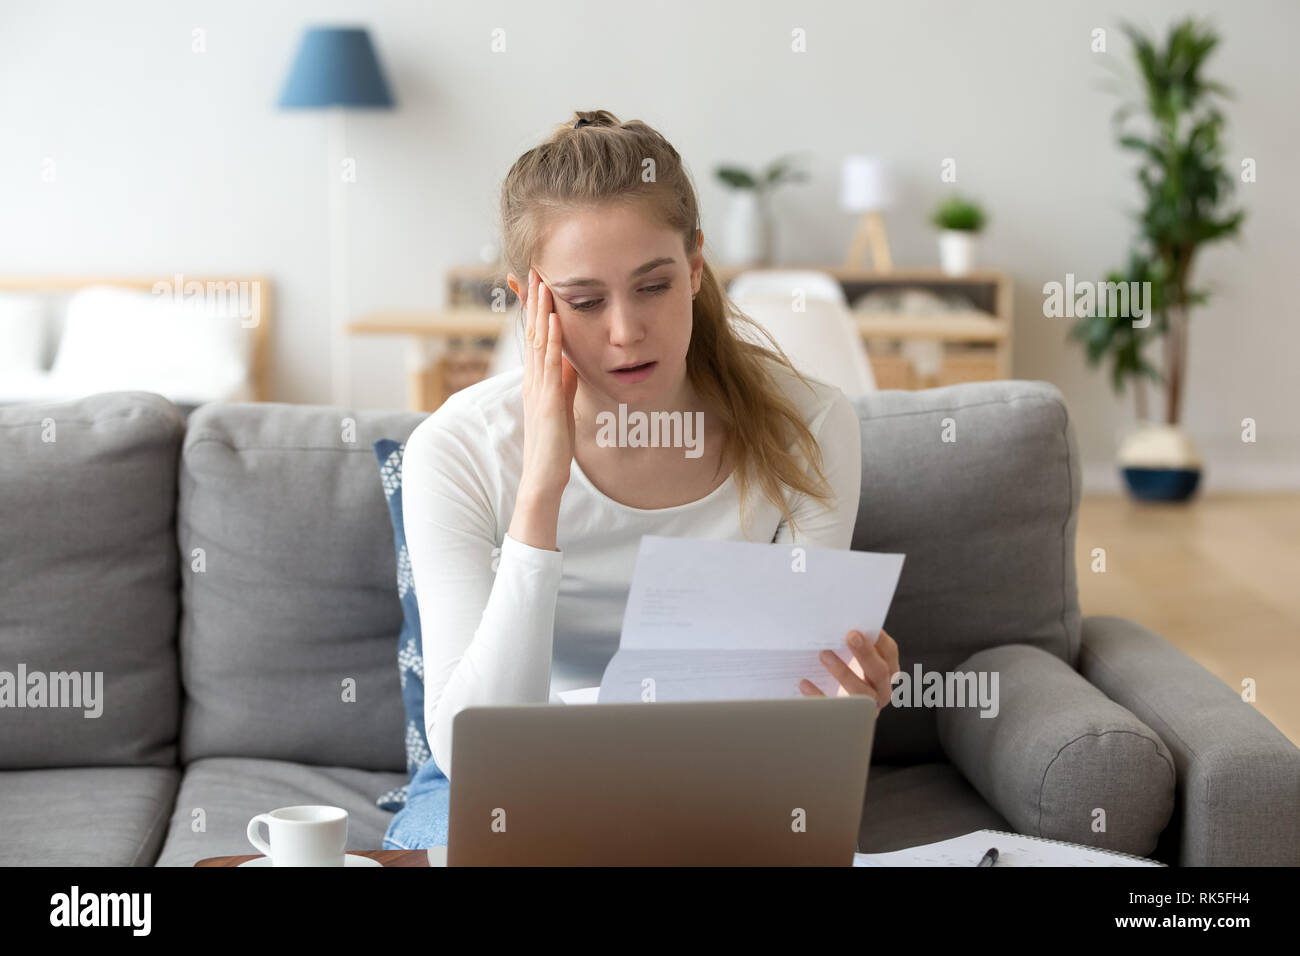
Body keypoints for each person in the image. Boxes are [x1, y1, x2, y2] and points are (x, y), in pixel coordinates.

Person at [382, 109, 899, 851]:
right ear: (532, 302)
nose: (625, 331)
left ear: (694, 267)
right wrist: (542, 490)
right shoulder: (457, 450)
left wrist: (847, 701)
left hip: (720, 773)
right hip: (510, 781)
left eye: (653, 286)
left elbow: (794, 716)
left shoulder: (812, 426)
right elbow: (471, 752)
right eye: (585, 302)